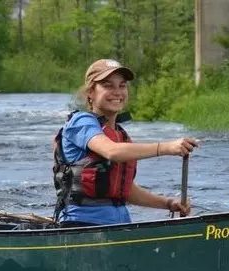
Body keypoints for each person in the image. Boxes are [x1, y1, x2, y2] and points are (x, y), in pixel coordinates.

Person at [53, 58, 198, 227]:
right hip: (81, 223)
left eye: (122, 86)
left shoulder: (120, 134)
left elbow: (125, 189)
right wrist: (166, 147)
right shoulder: (80, 122)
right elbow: (111, 152)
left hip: (119, 224)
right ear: (90, 93)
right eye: (108, 85)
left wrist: (167, 203)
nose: (117, 92)